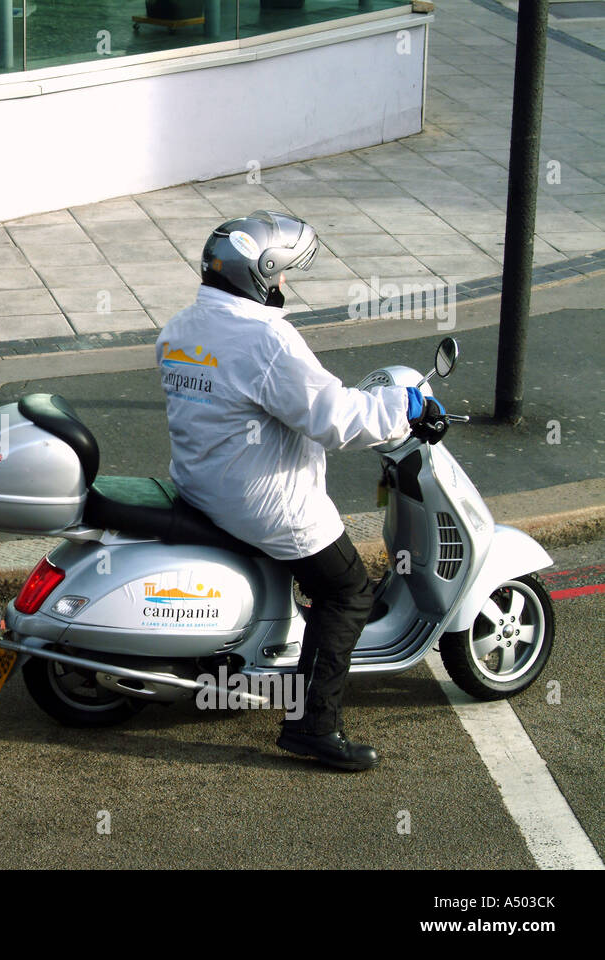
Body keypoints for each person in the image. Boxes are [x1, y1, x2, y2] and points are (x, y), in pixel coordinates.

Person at [156, 210, 447, 771]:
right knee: (349, 590)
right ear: (260, 275)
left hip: (203, 483)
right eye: (282, 275)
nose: (285, 285)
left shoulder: (182, 327)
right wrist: (404, 408)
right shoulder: (265, 338)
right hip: (266, 502)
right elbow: (334, 419)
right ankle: (314, 725)